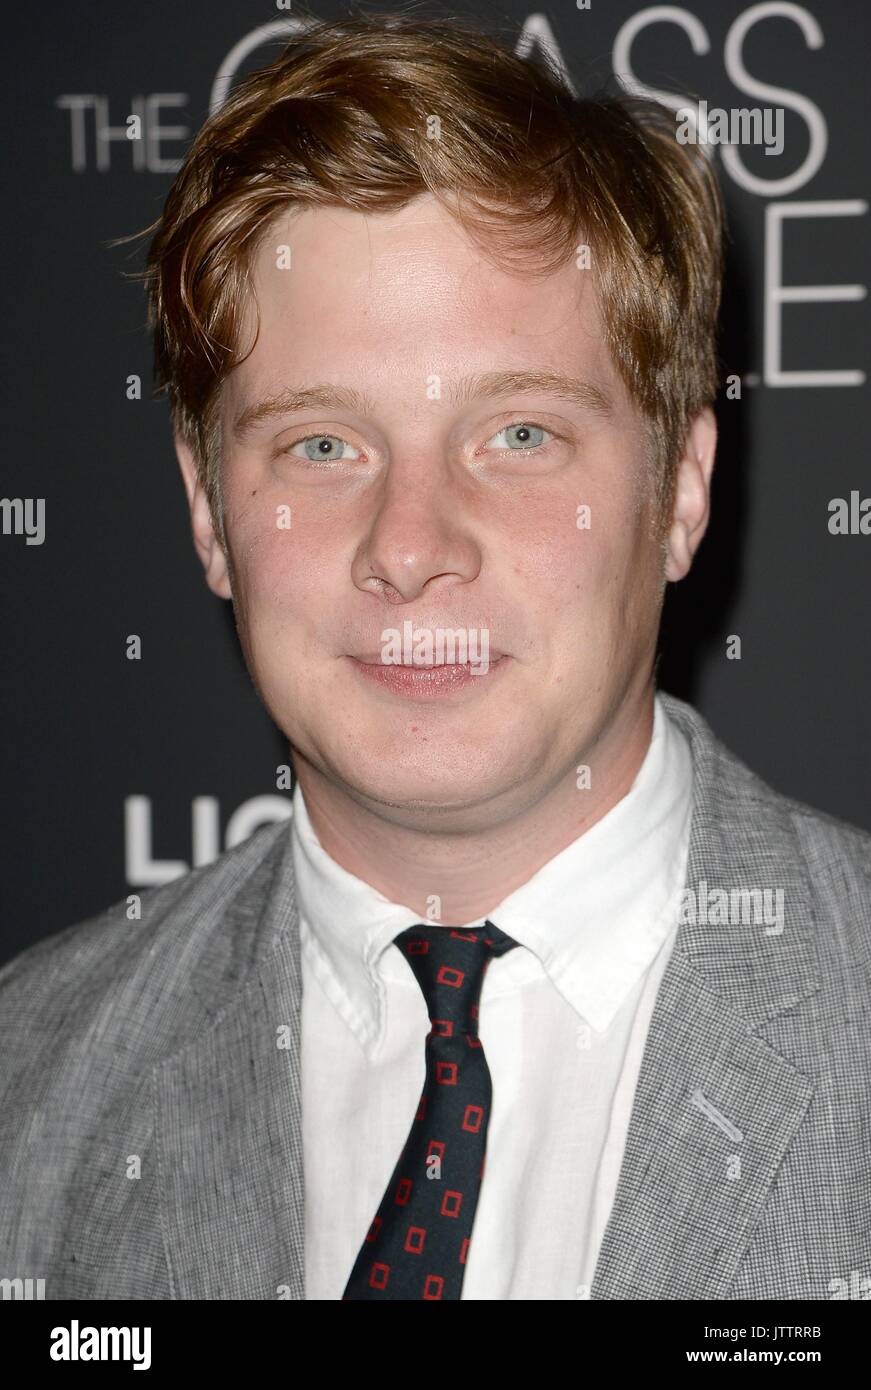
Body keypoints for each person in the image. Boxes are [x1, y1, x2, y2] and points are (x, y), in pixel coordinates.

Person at [1, 11, 869, 1301]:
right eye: (321, 446)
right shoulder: (27, 1079)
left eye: (518, 435)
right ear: (206, 511)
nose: (409, 548)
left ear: (681, 491)